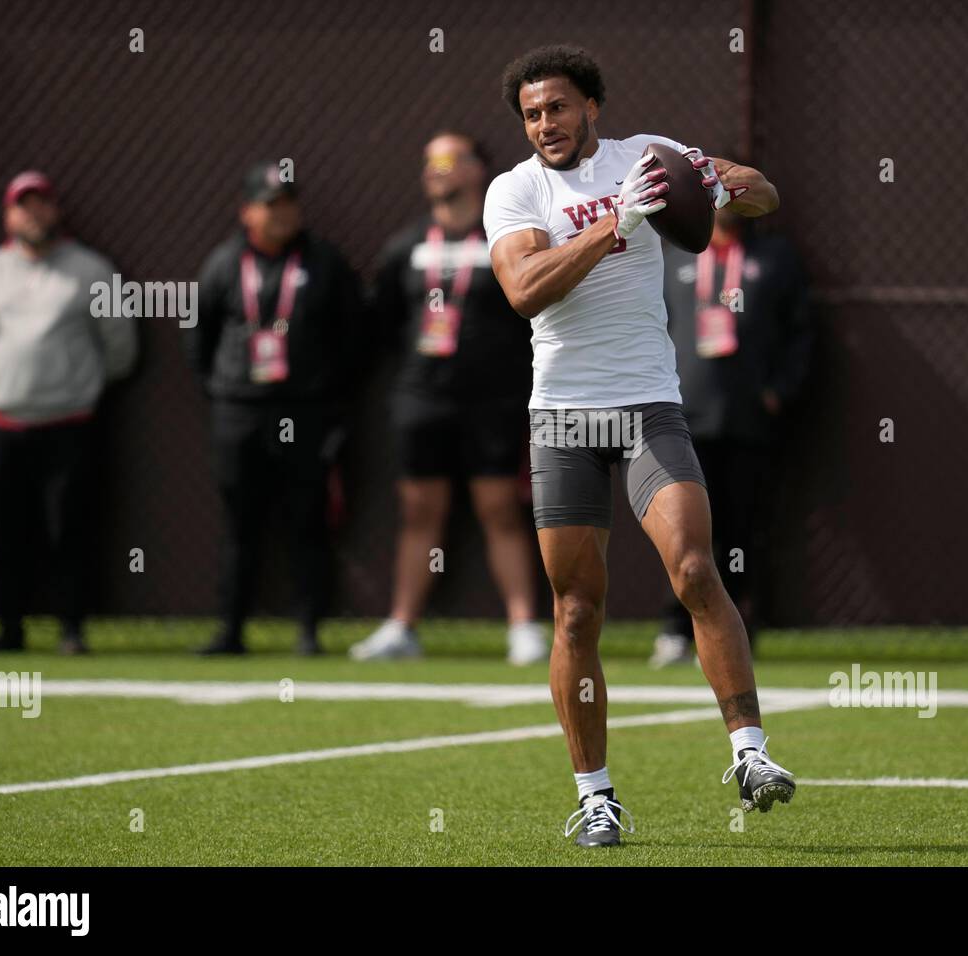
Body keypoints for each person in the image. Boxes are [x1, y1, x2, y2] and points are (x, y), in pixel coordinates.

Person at [483, 45, 796, 847]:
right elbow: (523, 291)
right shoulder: (516, 189)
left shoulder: (643, 158)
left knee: (695, 566)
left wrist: (710, 181)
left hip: (647, 401)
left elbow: (763, 192)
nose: (544, 124)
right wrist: (613, 225)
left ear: (592, 105)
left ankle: (751, 753)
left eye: (556, 107)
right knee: (577, 610)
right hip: (562, 414)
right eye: (531, 114)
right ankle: (595, 796)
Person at [348, 132, 546, 666]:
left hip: (493, 401)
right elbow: (383, 323)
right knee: (418, 511)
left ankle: (524, 627)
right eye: (430, 159)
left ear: (478, 170)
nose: (438, 170)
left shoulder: (503, 237)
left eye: (450, 158)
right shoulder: (407, 245)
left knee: (500, 508)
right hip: (422, 400)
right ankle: (401, 627)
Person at [0, 170, 138, 655]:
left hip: (68, 424)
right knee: (2, 529)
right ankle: (9, 629)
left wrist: (76, 388)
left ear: (57, 210)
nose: (33, 213)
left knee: (69, 528)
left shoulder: (92, 271)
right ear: (8, 214)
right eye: (23, 204)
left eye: (42, 203)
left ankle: (72, 630)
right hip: (0, 425)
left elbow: (120, 347)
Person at [186, 161, 364, 656]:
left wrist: (325, 395)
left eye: (288, 204)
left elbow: (353, 338)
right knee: (240, 523)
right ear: (247, 212)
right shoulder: (223, 264)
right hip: (239, 412)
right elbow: (198, 342)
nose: (281, 214)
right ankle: (230, 630)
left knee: (308, 520)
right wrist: (225, 390)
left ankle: (309, 630)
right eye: (270, 205)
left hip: (304, 412)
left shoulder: (324, 262)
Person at [650, 198, 812, 667]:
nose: (727, 204)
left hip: (746, 418)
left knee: (742, 528)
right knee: (682, 529)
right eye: (717, 193)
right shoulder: (672, 255)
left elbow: (802, 332)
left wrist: (779, 391)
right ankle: (675, 631)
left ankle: (734, 631)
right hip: (681, 415)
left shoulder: (774, 258)